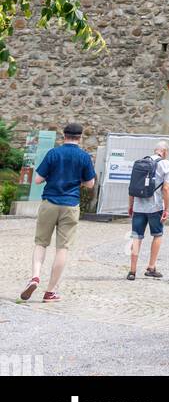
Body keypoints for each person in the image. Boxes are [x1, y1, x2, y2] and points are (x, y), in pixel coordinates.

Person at [20, 122, 96, 303]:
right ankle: (50, 292)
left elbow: (38, 179)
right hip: (70, 205)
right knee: (62, 248)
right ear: (81, 136)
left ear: (64, 135)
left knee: (40, 243)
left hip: (50, 203)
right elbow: (90, 183)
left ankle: (35, 276)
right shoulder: (84, 156)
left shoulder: (53, 153)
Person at [127, 141, 169, 280]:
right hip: (155, 206)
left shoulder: (140, 162)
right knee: (157, 235)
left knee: (136, 237)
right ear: (164, 151)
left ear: (155, 150)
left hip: (138, 206)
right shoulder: (166, 164)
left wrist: (131, 205)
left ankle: (132, 271)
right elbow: (166, 188)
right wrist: (167, 208)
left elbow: (132, 186)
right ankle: (151, 267)